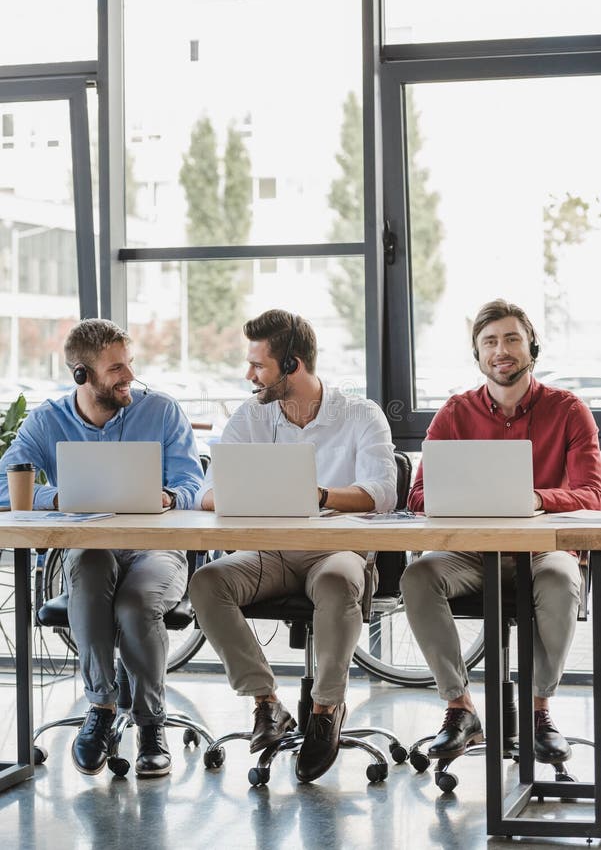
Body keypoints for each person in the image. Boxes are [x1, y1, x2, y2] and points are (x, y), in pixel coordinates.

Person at [189, 309, 397, 783]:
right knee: (207, 582)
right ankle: (267, 702)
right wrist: (242, 495)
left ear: (292, 365)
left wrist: (318, 494)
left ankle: (326, 709)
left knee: (342, 579)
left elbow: (383, 494)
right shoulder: (250, 417)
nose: (249, 376)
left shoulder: (360, 416)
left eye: (258, 365)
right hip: (270, 553)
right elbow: (205, 492)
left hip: (336, 549)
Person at [0, 319, 204, 778]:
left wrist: (170, 497)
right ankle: (103, 706)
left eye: (129, 363)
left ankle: (152, 723)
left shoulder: (162, 412)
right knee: (91, 574)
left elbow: (194, 481)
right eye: (116, 368)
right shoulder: (47, 420)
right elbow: (3, 483)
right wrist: (62, 497)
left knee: (135, 604)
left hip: (156, 549)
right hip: (90, 546)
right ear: (81, 374)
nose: (128, 375)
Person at [401, 298, 601, 764]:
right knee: (417, 577)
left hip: (543, 551)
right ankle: (459, 708)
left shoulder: (569, 411)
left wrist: (537, 499)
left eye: (512, 338)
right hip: (471, 554)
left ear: (532, 345)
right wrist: (469, 503)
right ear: (477, 353)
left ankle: (538, 710)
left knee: (561, 580)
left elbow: (592, 493)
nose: (501, 350)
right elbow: (417, 496)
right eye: (489, 341)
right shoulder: (454, 413)